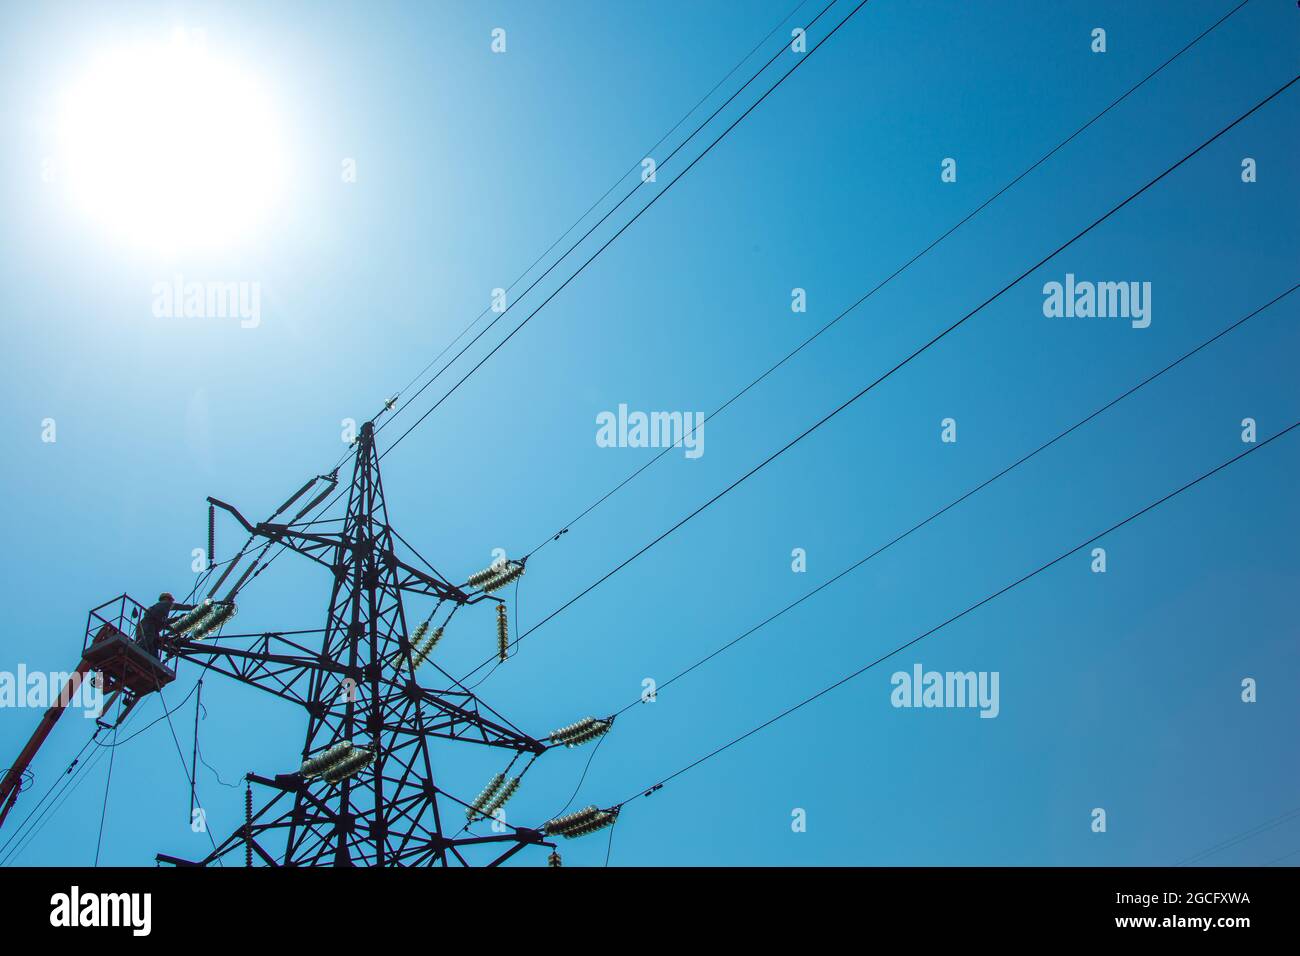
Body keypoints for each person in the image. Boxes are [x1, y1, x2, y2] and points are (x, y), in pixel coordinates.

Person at [137, 592, 195, 659]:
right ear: (166, 598)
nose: (171, 602)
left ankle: (153, 658)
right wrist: (193, 607)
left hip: (149, 626)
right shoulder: (165, 604)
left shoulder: (158, 609)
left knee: (153, 643)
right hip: (149, 625)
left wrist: (178, 618)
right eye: (170, 600)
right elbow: (179, 607)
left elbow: (164, 622)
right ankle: (144, 654)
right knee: (148, 641)